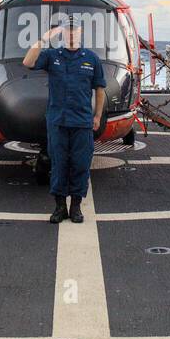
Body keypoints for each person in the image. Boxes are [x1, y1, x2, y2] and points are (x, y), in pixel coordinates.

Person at [23, 19, 106, 223]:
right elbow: (28, 62)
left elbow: (100, 89)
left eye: (74, 30)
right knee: (58, 164)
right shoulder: (52, 56)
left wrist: (97, 116)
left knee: (80, 164)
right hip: (58, 121)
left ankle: (76, 207)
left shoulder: (92, 59)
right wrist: (44, 39)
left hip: (82, 122)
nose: (71, 34)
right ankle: (60, 207)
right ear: (62, 33)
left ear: (81, 32)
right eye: (67, 31)